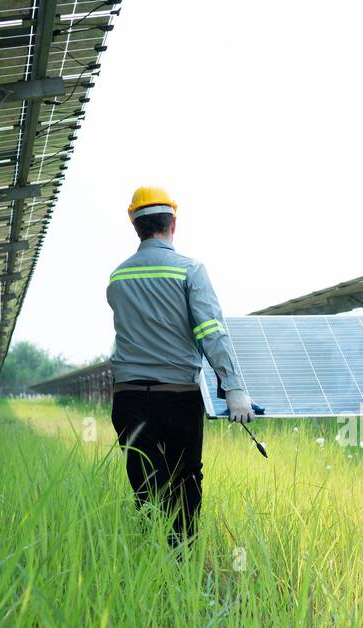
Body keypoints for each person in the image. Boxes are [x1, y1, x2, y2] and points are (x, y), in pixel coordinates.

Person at [107, 185, 255, 547]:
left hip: (128, 398)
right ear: (174, 222)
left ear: (134, 225)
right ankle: (181, 561)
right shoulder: (190, 270)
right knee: (184, 479)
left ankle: (148, 558)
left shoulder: (118, 277)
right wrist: (233, 387)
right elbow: (211, 331)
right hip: (177, 396)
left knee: (145, 481)